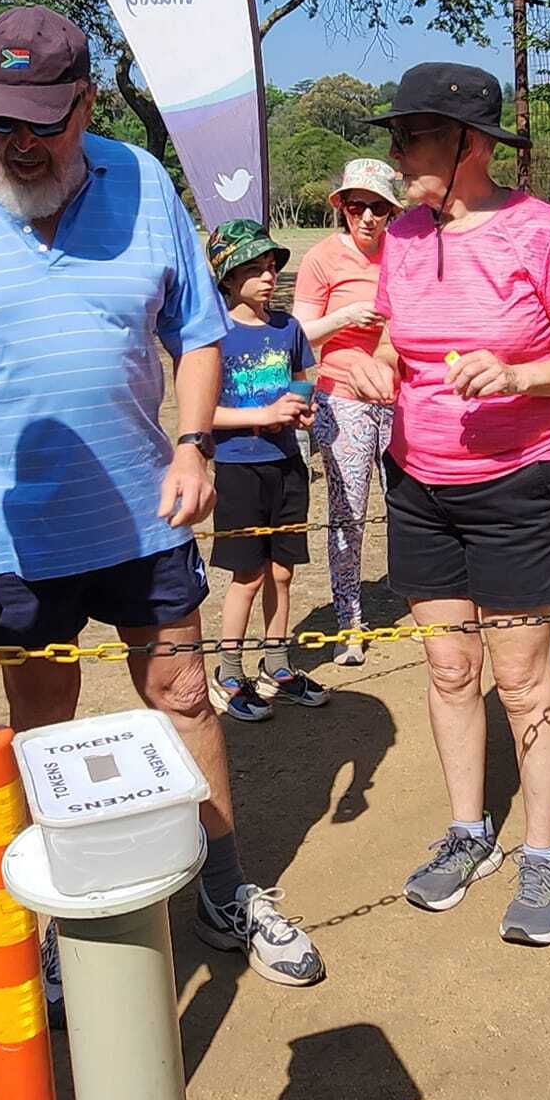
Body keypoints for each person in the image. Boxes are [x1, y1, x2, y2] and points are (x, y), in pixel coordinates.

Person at [0, 5, 323, 987]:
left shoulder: (142, 179)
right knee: (47, 717)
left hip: (142, 512)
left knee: (184, 692)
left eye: (42, 122)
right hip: (5, 536)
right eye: (0, 124)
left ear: (85, 105)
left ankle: (223, 882)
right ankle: (72, 920)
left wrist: (195, 445)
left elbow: (196, 334)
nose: (19, 144)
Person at [330, 62, 550, 948]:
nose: (398, 151)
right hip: (420, 487)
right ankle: (467, 831)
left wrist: (521, 373)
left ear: (472, 147)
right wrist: (377, 369)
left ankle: (540, 854)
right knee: (451, 672)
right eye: (398, 134)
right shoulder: (405, 237)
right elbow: (389, 341)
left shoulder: (541, 231)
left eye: (413, 136)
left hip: (517, 486)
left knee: (524, 678)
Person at [203, 219, 324, 723]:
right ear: (227, 278)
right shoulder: (214, 335)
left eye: (271, 267)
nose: (268, 277)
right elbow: (202, 412)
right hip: (237, 468)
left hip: (286, 464)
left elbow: (301, 382)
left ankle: (277, 664)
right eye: (253, 269)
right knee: (248, 576)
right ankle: (229, 673)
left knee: (282, 571)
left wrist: (302, 409)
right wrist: (262, 415)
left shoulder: (288, 328)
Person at [292, 158, 404, 662]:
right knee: (348, 513)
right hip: (343, 397)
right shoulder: (322, 259)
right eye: (357, 205)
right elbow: (297, 337)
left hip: (400, 395)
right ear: (342, 207)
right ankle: (349, 619)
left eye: (378, 207)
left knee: (408, 505)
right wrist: (344, 318)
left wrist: (385, 351)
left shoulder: (404, 254)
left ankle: (420, 599)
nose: (366, 217)